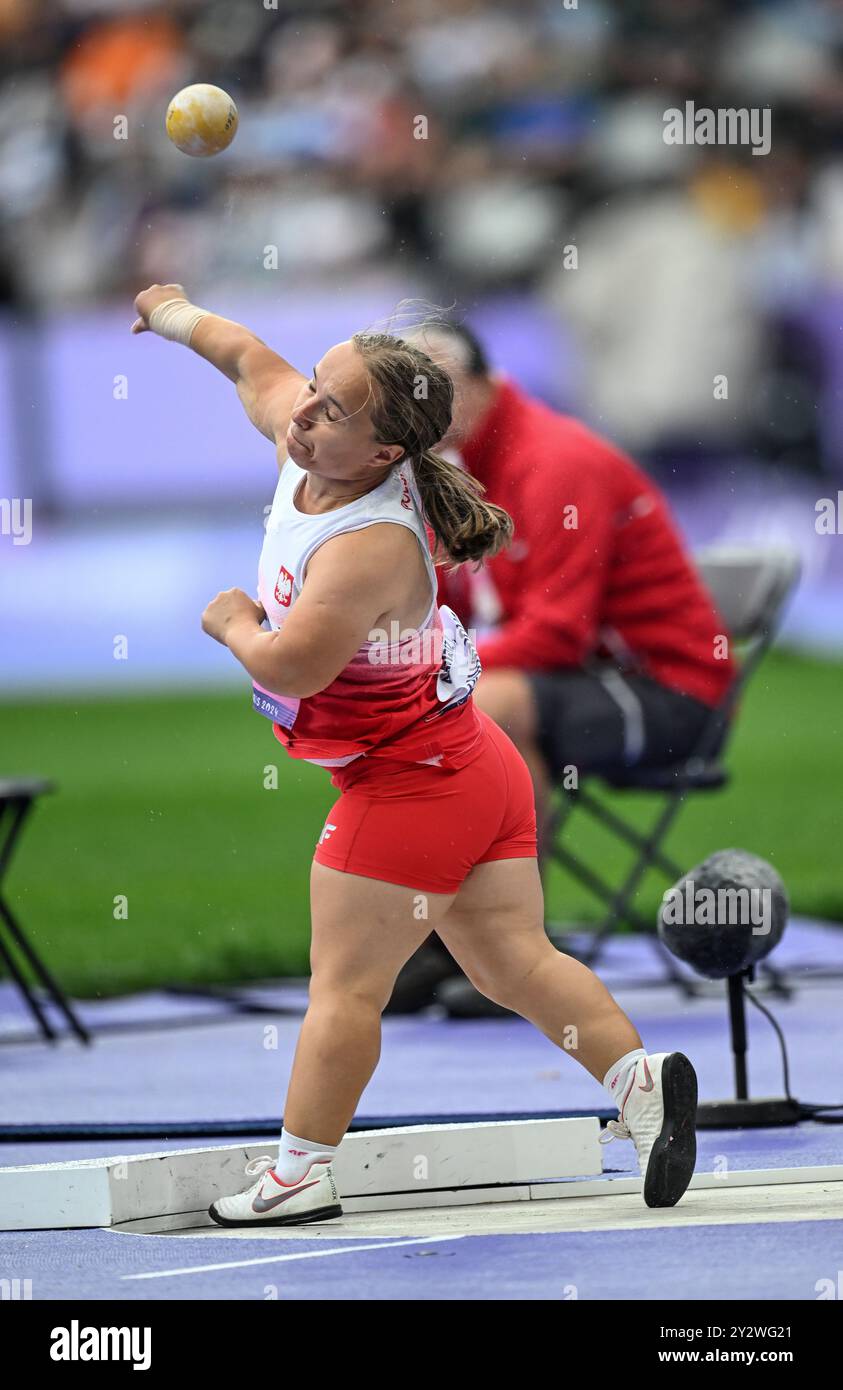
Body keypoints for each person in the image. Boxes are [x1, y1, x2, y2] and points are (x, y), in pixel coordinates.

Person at [130, 284, 699, 1222]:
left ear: (386, 453)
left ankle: (300, 1174)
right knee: (512, 961)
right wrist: (175, 312)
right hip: (469, 765)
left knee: (344, 989)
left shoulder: (368, 547)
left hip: (409, 788)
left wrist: (230, 620)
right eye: (315, 389)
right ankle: (641, 1083)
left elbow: (296, 666)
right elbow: (246, 359)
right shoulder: (315, 446)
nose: (304, 412)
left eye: (331, 409)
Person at [387, 320, 736, 1015]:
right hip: (574, 687)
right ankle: (458, 945)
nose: (414, 412)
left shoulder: (554, 462)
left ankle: (504, 953)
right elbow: (441, 603)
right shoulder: (450, 469)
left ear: (482, 385)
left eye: (428, 394)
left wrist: (428, 672)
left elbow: (555, 636)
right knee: (425, 709)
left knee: (484, 706)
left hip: (671, 698)